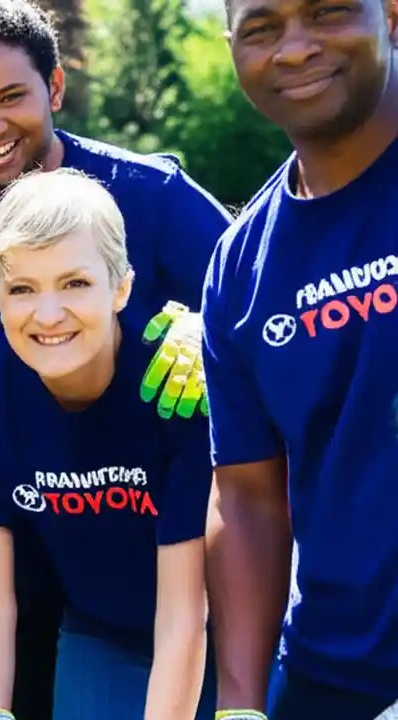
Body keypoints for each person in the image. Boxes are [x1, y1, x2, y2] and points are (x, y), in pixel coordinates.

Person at [0, 1, 234, 716]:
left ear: (54, 88)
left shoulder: (149, 195)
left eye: (11, 98)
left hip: (146, 529)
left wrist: (204, 333)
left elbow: (255, 298)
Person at [0, 169, 214, 720]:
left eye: (75, 283)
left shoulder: (174, 382)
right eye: (22, 289)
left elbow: (185, 613)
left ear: (121, 287)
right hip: (102, 632)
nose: (48, 314)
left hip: (222, 629)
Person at [202, 0, 398, 714]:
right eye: (262, 29)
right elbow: (247, 496)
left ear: (392, 16)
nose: (293, 49)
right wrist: (240, 703)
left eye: (327, 12)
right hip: (330, 679)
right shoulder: (241, 266)